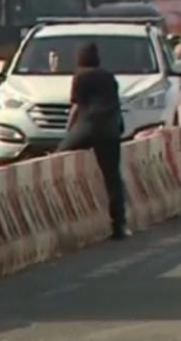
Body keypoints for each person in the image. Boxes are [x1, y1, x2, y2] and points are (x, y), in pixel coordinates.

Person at [57, 42, 130, 240]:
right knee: (112, 177)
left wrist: (68, 133)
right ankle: (119, 225)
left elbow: (76, 109)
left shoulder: (80, 77)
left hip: (88, 128)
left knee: (58, 157)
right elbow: (115, 105)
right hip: (110, 131)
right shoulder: (109, 77)